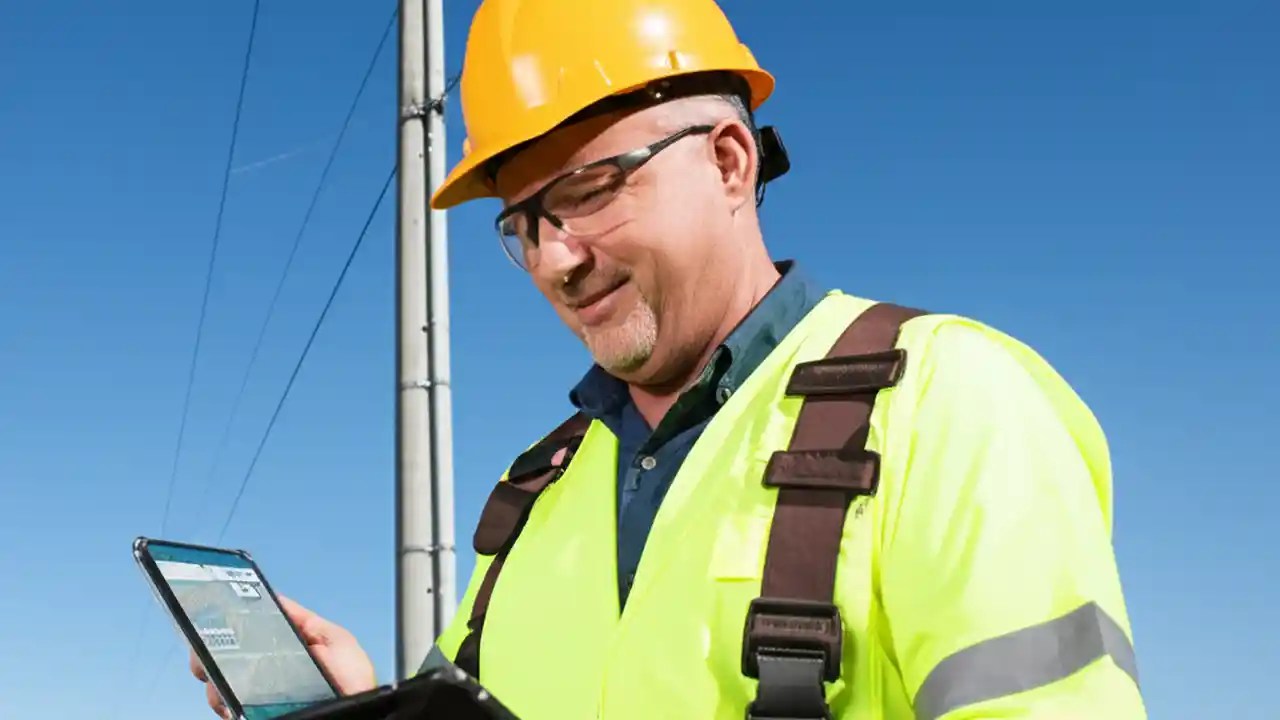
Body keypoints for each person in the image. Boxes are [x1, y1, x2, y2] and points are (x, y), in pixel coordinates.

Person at [193, 1, 1148, 718]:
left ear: (730, 162)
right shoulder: (535, 496)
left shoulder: (949, 402)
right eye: (525, 224)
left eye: (590, 189)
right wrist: (363, 708)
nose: (555, 259)